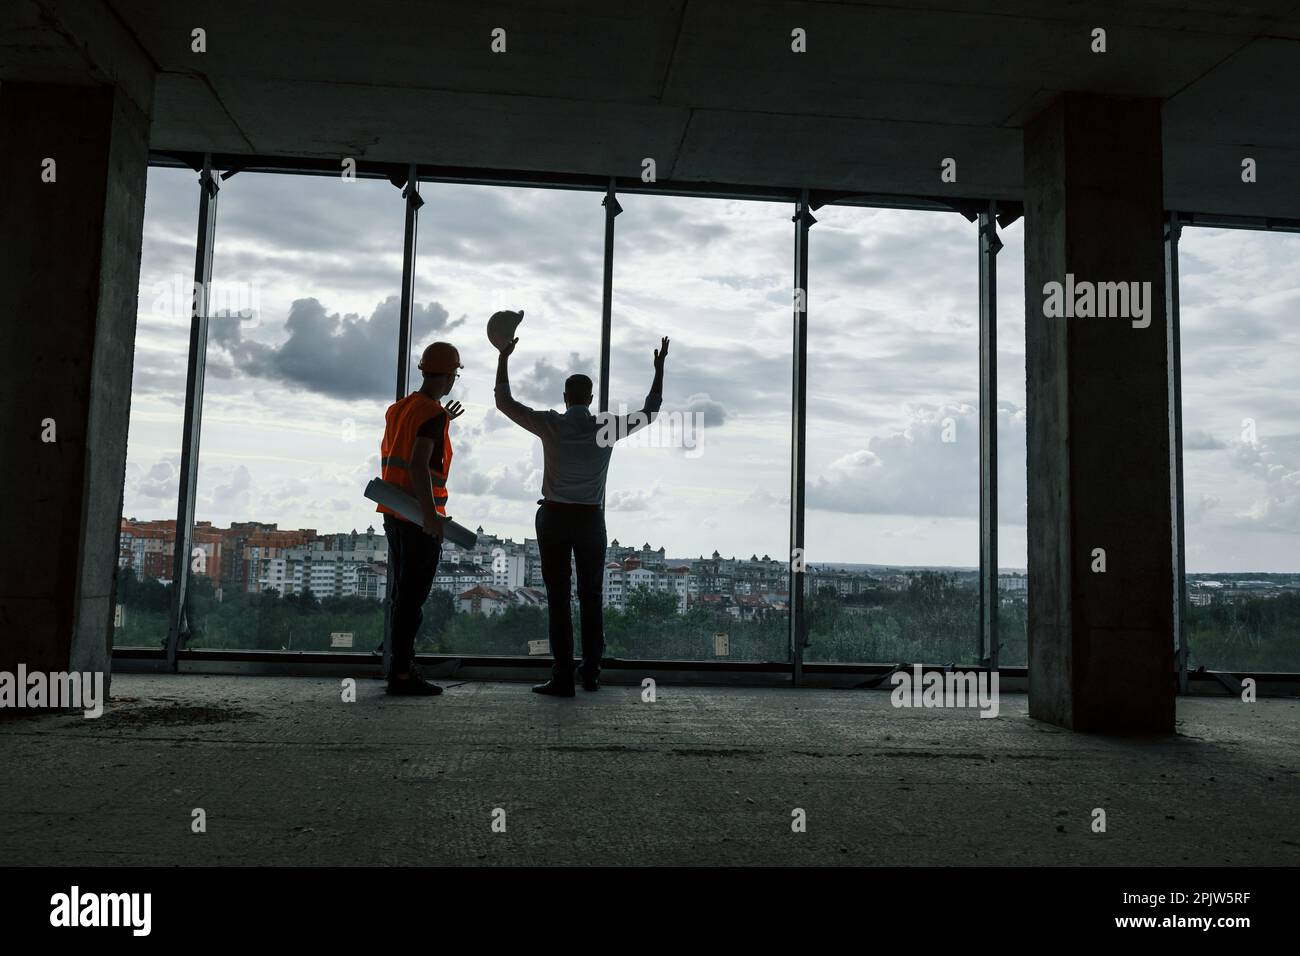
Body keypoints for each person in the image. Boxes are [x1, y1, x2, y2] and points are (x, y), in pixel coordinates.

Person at [494, 320, 669, 696]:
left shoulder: (550, 425)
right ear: (590, 399)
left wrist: (503, 358)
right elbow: (650, 410)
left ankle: (562, 675)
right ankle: (591, 672)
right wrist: (658, 371)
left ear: (565, 396)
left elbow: (504, 403)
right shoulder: (605, 428)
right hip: (590, 520)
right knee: (591, 597)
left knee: (558, 597)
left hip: (554, 517)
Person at [375, 341, 465, 696]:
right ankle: (402, 673)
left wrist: (443, 420)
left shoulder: (400, 409)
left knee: (402, 596)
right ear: (450, 375)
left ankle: (397, 667)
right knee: (412, 600)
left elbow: (409, 449)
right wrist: (431, 517)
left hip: (395, 511)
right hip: (417, 518)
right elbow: (418, 464)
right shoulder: (432, 414)